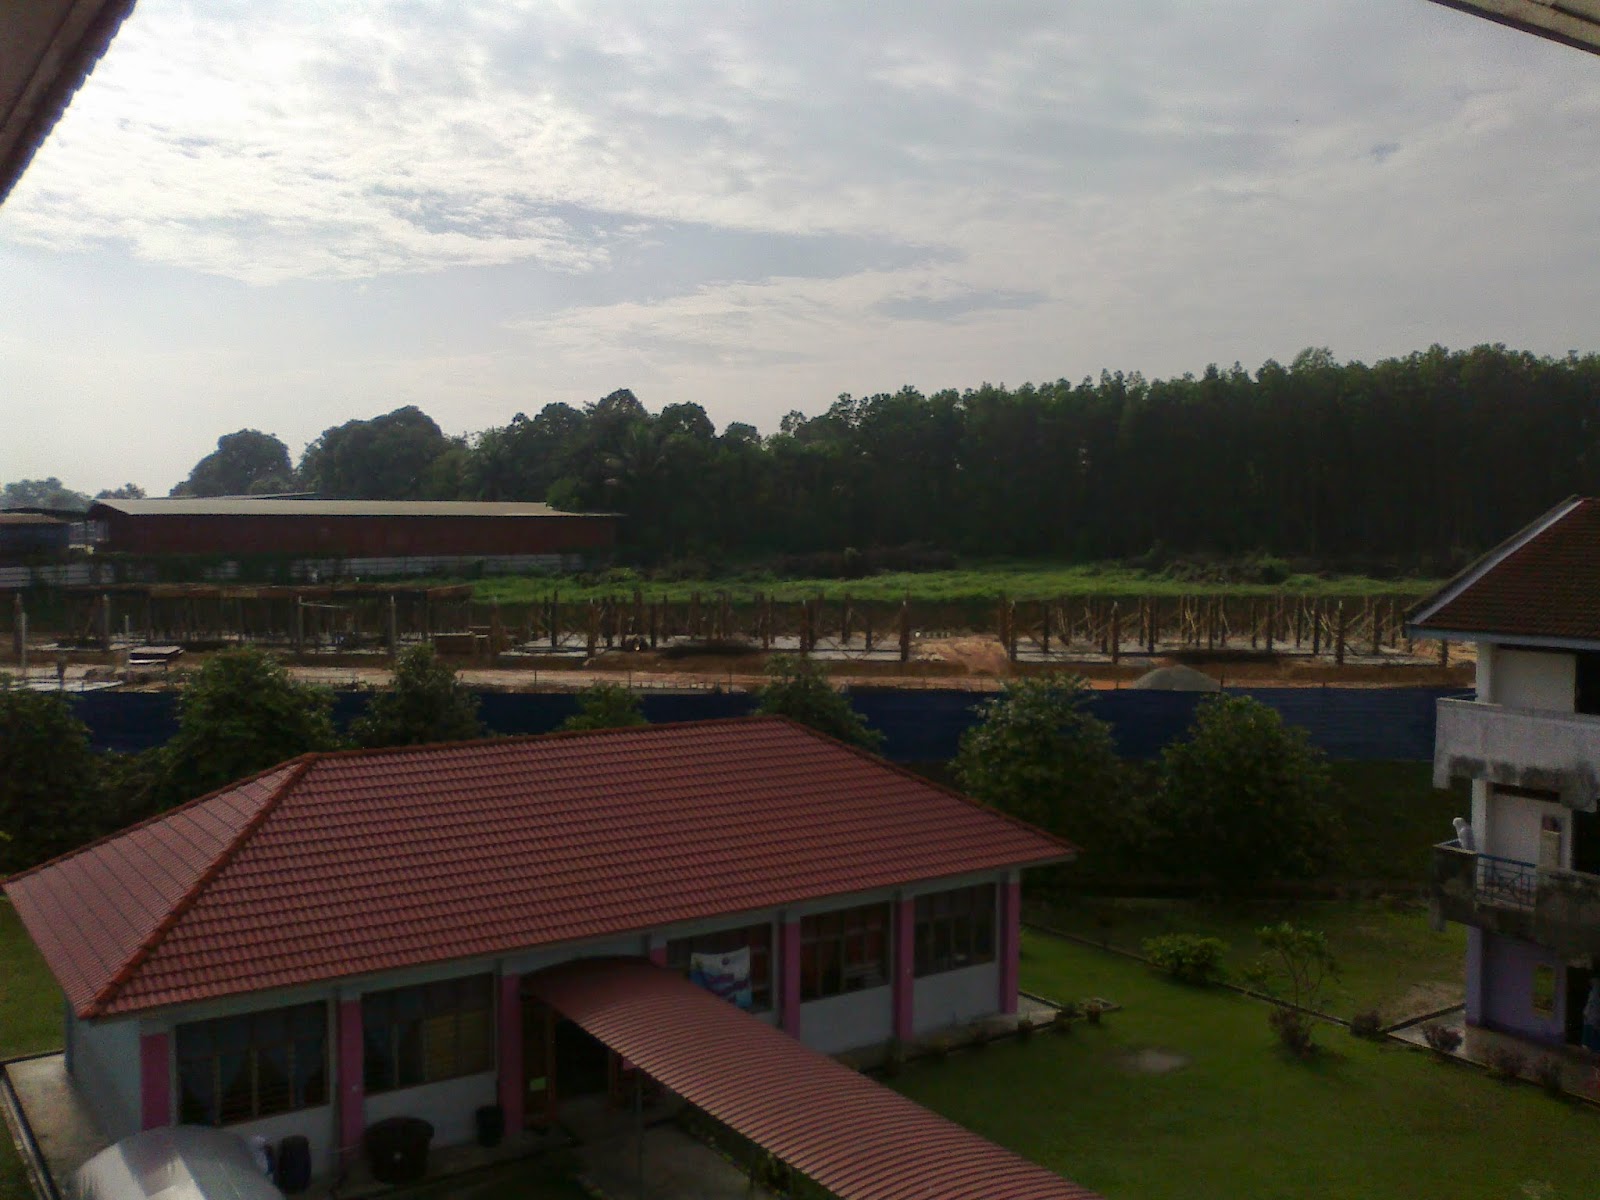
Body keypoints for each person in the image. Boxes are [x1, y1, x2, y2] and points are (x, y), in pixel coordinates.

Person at [1583, 972, 1600, 1054]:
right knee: (1595, 1031)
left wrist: (1586, 1013)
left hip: (1593, 1016)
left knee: (1592, 1031)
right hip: (1595, 1017)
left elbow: (1590, 1004)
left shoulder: (1594, 993)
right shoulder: (1594, 992)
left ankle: (1592, 1047)